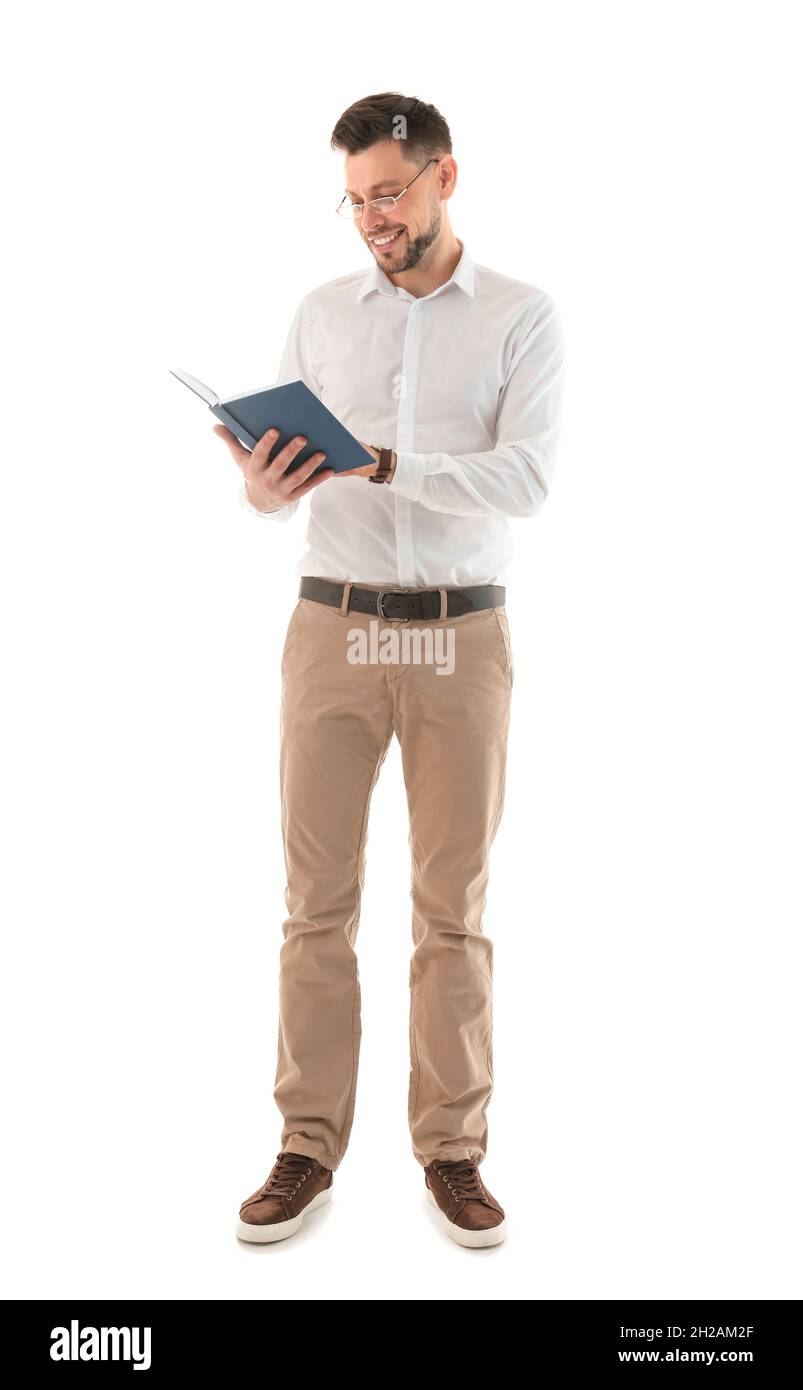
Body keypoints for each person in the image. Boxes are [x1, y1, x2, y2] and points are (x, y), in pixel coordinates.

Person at [216, 92, 564, 1249]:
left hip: (459, 638)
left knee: (448, 910)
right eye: (355, 198)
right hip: (333, 630)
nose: (371, 217)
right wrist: (265, 488)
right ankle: (305, 1144)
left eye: (388, 192)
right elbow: (272, 497)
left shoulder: (521, 316)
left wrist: (383, 463)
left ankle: (451, 1151)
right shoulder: (320, 312)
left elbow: (523, 481)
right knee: (314, 906)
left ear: (442, 178)